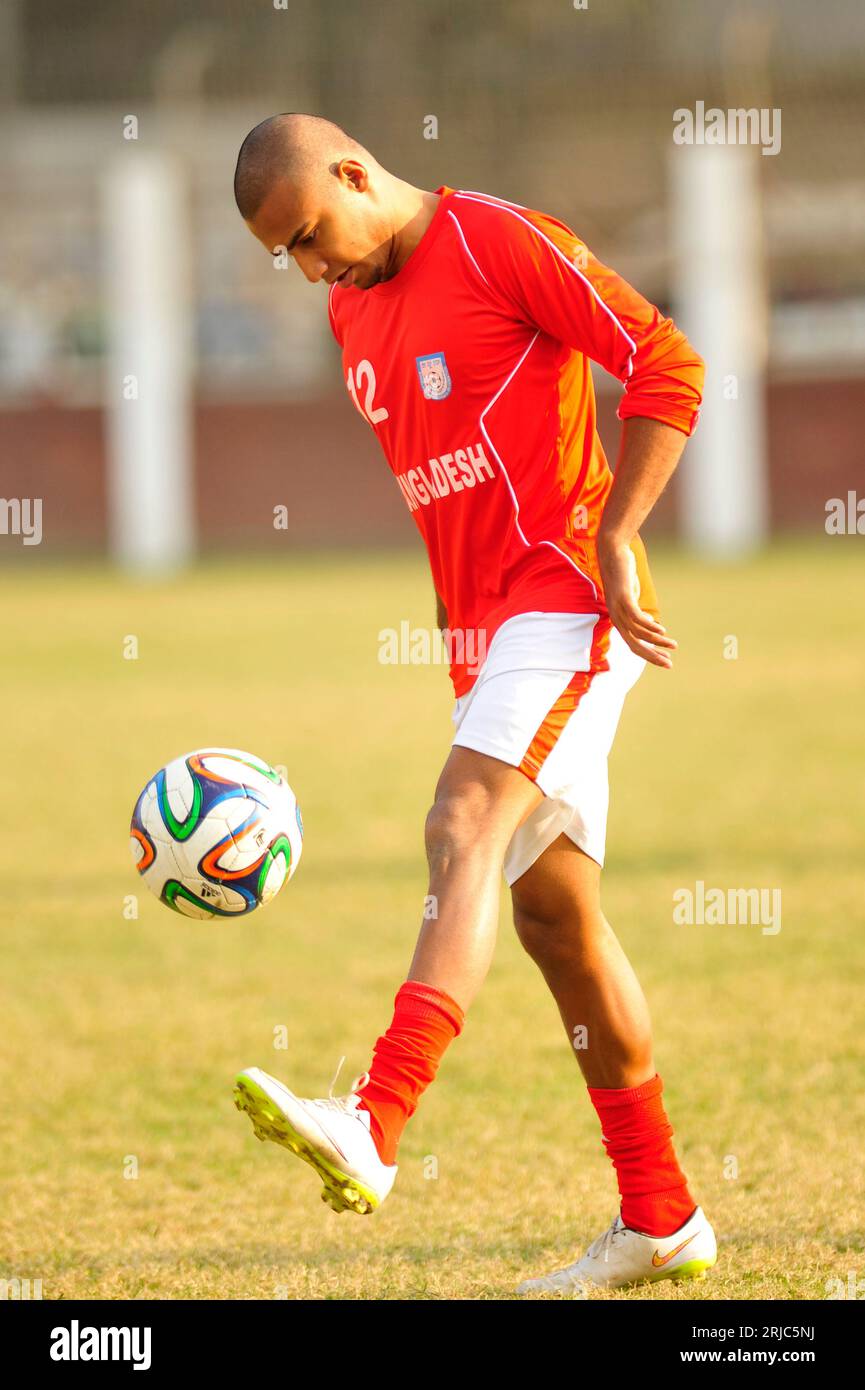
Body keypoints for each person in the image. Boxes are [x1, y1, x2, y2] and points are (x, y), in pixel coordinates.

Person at [231, 113, 716, 1295]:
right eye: (284, 257)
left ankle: (373, 1120)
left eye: (309, 235)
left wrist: (618, 528)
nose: (310, 269)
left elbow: (668, 361)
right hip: (484, 648)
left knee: (460, 828)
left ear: (353, 172)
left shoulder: (498, 240)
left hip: (567, 606)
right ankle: (661, 1218)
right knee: (557, 926)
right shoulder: (352, 315)